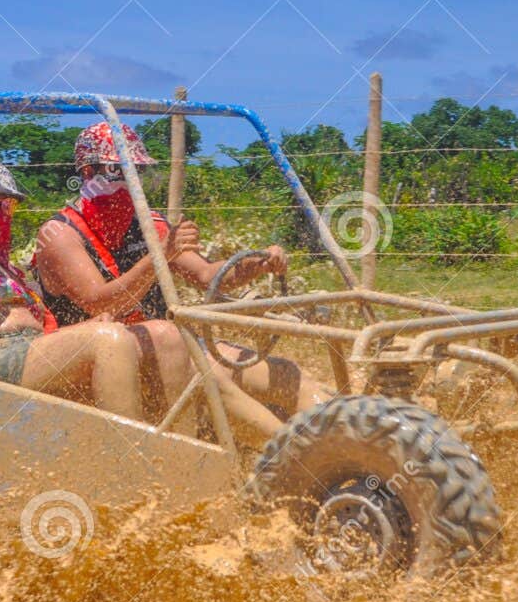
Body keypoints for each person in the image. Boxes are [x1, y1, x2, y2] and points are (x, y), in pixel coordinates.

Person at [33, 121, 325, 421]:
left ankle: (338, 427)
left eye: (137, 171)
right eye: (118, 171)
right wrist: (160, 256)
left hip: (165, 347)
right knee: (212, 378)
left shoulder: (151, 225)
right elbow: (101, 303)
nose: (130, 182)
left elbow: (208, 276)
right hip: (104, 361)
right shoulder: (60, 235)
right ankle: (273, 443)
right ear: (88, 173)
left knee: (287, 376)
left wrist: (257, 263)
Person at [0, 84, 145, 421]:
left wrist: (84, 328)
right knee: (108, 340)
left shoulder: (6, 269)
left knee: (146, 337)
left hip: (26, 356)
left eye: (6, 205)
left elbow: (35, 336)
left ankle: (179, 442)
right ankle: (128, 449)